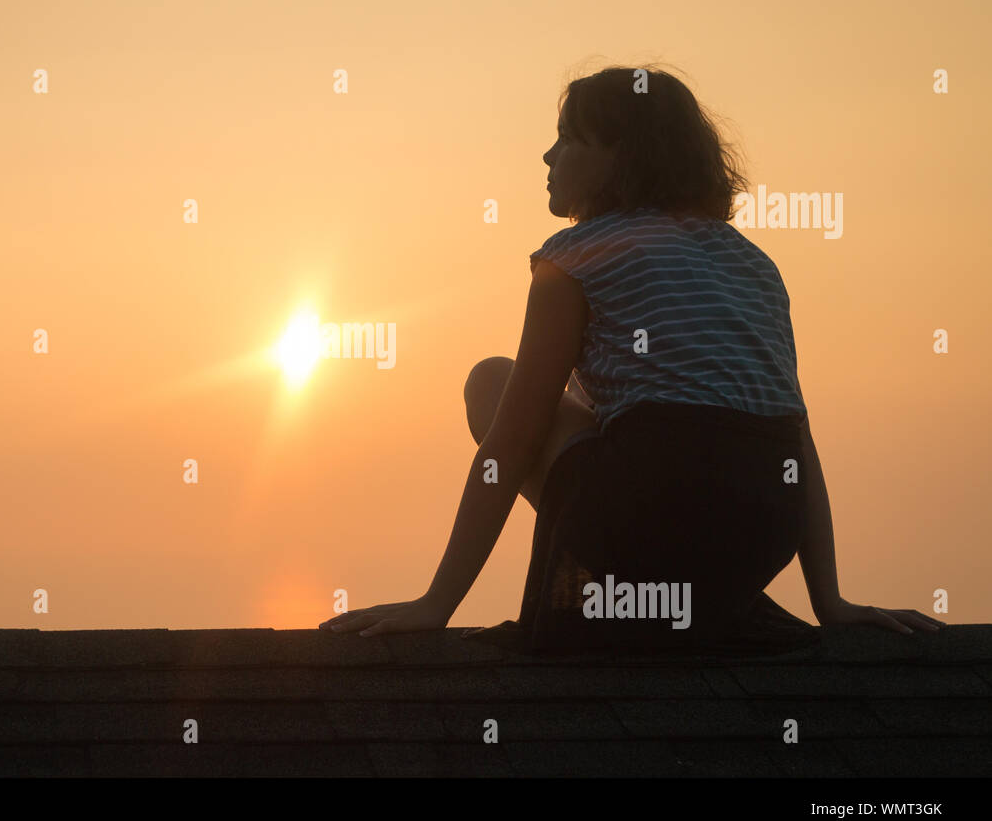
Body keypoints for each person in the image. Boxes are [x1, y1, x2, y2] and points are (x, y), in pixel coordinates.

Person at [320, 65, 942, 652]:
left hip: (647, 512)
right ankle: (691, 602)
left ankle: (612, 587)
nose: (547, 156)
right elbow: (795, 438)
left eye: (567, 139)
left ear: (621, 156)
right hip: (756, 531)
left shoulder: (575, 255)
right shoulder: (755, 266)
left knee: (492, 381)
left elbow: (511, 440)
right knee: (616, 403)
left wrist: (437, 603)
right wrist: (828, 601)